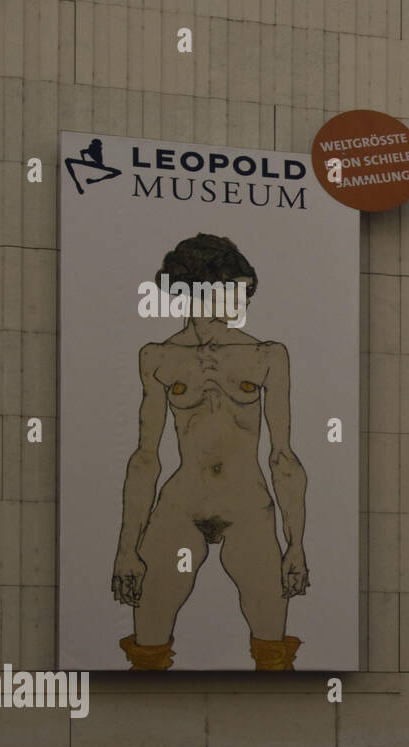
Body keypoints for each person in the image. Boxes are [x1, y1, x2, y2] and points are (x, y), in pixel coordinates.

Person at [113, 234, 309, 671]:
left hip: (248, 506)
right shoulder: (158, 357)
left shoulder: (266, 355)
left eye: (243, 288)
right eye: (231, 287)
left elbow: (283, 456)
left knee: (273, 649)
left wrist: (296, 544)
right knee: (148, 643)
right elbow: (146, 456)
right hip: (181, 505)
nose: (241, 298)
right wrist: (127, 548)